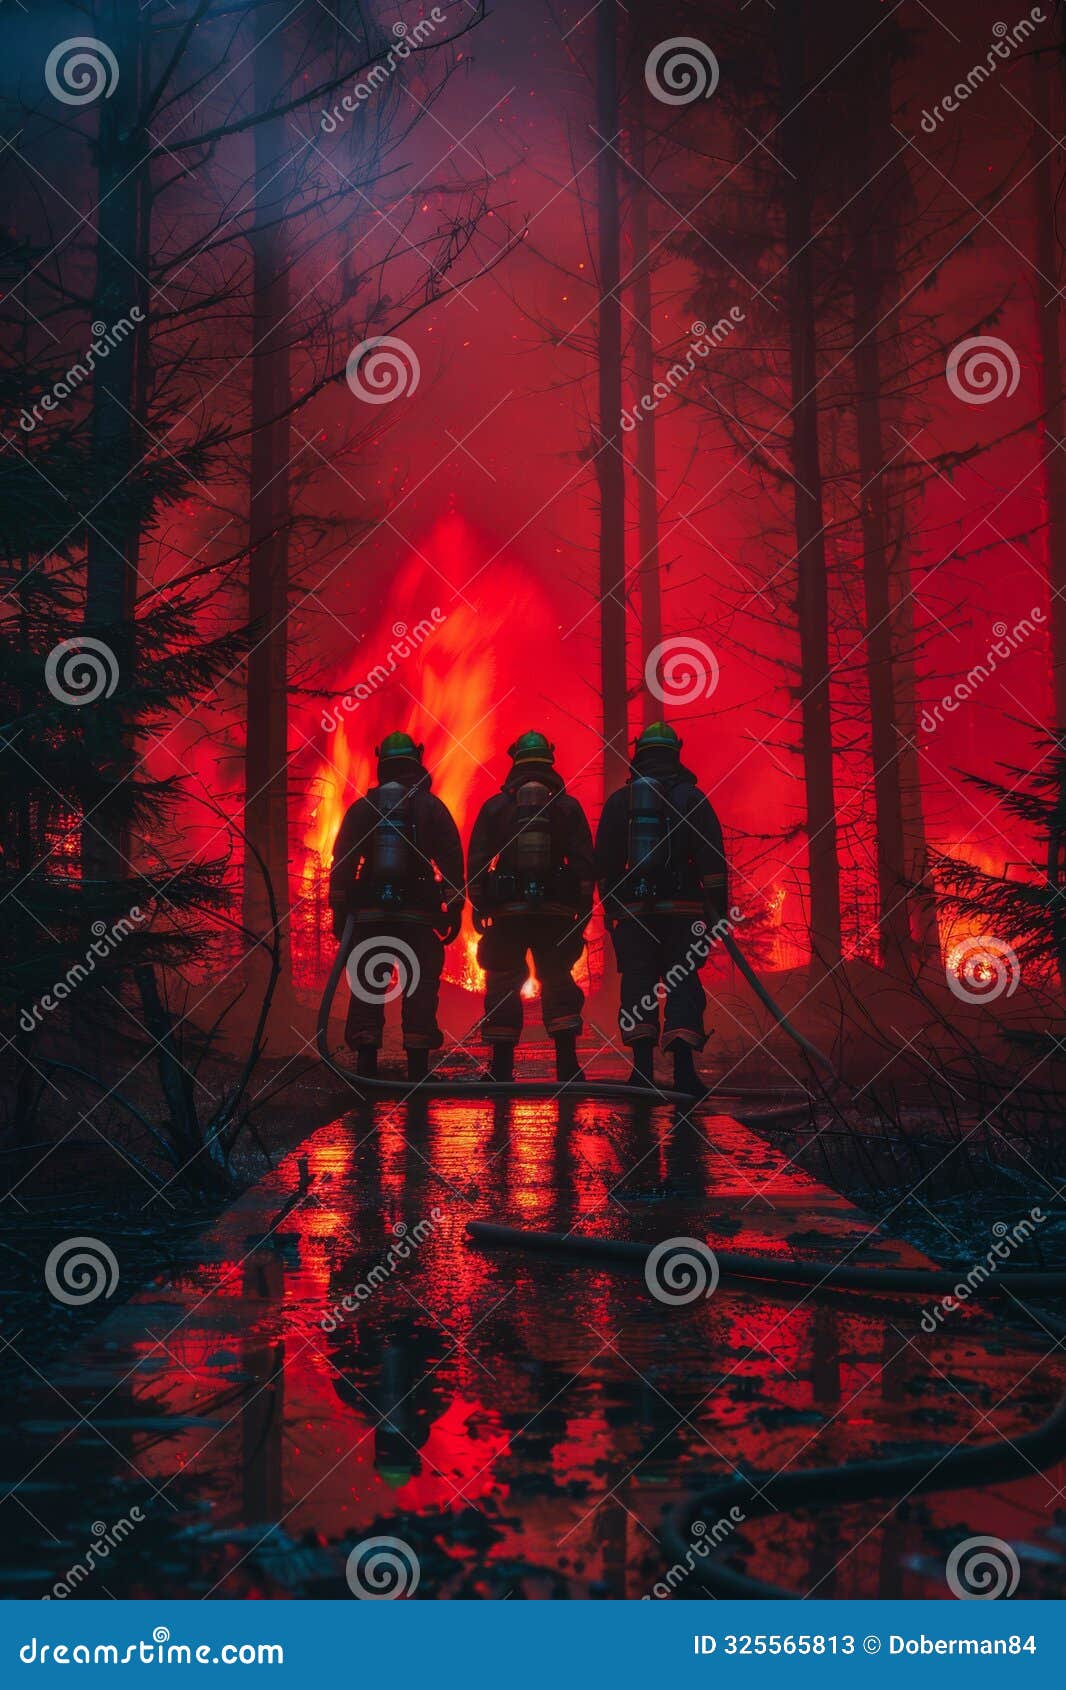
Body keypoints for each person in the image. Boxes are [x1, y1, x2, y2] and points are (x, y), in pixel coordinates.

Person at [595, 721, 728, 1097]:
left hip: (636, 913)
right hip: (685, 912)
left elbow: (603, 863)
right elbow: (712, 861)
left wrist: (612, 908)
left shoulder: (621, 802)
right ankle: (685, 1074)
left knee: (639, 983)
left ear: (639, 753)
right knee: (682, 981)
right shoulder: (692, 798)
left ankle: (642, 1074)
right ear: (675, 753)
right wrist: (716, 910)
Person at [329, 731, 463, 1082]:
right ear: (416, 762)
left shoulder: (363, 807)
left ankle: (366, 1067)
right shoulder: (430, 807)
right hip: (417, 917)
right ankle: (417, 1070)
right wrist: (455, 907)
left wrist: (339, 911)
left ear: (382, 764)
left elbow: (342, 862)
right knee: (419, 986)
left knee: (369, 984)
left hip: (371, 917)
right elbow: (450, 858)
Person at [468, 731, 595, 1083]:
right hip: (554, 913)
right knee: (557, 980)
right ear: (549, 760)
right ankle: (567, 1067)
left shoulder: (498, 806)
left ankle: (501, 1069)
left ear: (516, 761)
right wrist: (582, 907)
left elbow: (478, 857)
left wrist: (478, 903)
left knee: (504, 982)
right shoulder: (566, 807)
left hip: (508, 913)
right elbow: (585, 861)